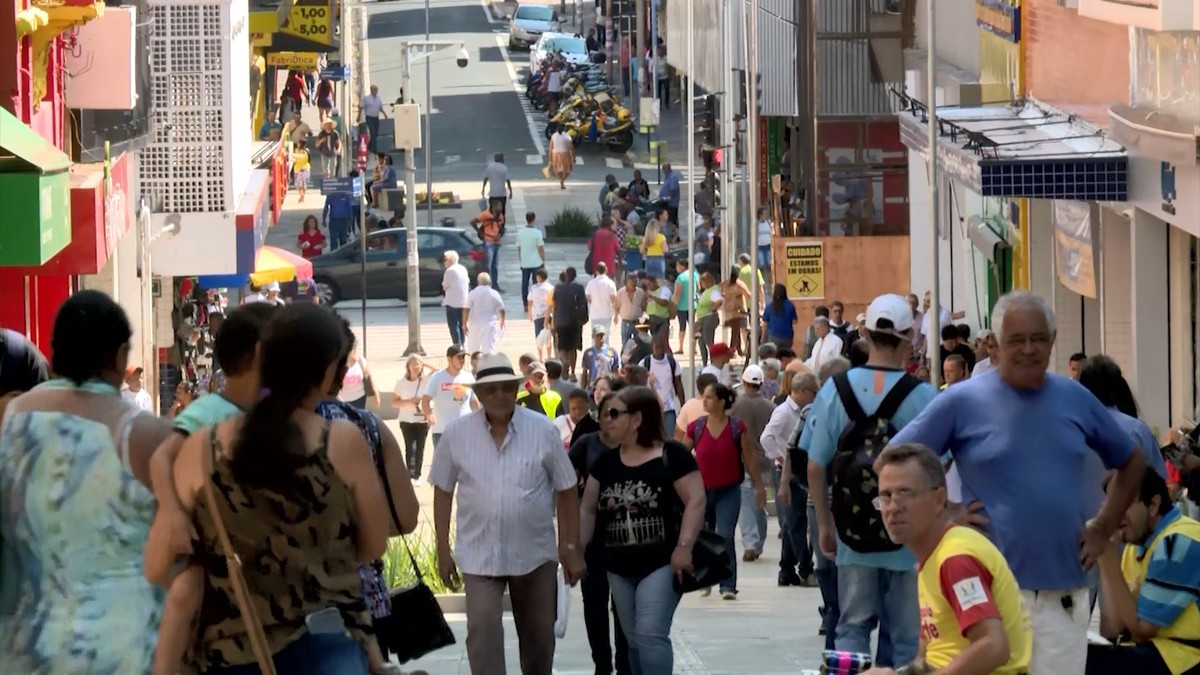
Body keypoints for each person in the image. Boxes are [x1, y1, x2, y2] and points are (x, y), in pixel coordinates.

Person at [890, 291, 1146, 675]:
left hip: (1063, 598)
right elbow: (893, 462)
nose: (1029, 349)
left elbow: (1132, 461)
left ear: (1053, 340)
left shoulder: (1075, 398)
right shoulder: (962, 400)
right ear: (993, 343)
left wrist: (1103, 526)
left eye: (1038, 339)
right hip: (985, 600)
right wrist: (943, 517)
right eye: (1017, 340)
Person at [157, 303, 391, 673]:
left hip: (230, 655)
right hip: (327, 652)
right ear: (326, 369)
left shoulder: (201, 449)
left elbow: (158, 565)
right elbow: (373, 544)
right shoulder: (340, 442)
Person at [0, 291, 172, 673]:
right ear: (118, 358)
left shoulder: (12, 419)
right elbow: (174, 552)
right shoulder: (147, 436)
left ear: (55, 352)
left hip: (28, 647)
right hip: (119, 649)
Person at [803, 294, 938, 668]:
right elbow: (939, 468)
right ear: (910, 336)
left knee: (853, 626)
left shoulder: (835, 389)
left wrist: (825, 526)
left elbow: (815, 465)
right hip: (907, 539)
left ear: (863, 332)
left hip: (852, 536)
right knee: (908, 636)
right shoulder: (923, 396)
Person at [430, 353, 585, 674]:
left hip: (534, 554)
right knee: (483, 634)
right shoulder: (457, 434)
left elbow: (567, 487)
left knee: (539, 640)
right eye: (491, 390)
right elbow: (443, 490)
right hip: (479, 554)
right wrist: (442, 550)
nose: (499, 396)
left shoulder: (542, 430)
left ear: (516, 389)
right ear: (478, 393)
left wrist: (570, 547)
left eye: (506, 388)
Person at [863, 443, 1032, 675]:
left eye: (905, 493)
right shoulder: (934, 556)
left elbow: (994, 647)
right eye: (885, 496)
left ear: (939, 499)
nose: (893, 507)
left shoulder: (956, 559)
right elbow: (929, 658)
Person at [580, 386, 706, 675]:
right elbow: (587, 508)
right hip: (618, 567)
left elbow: (696, 499)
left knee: (650, 634)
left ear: (637, 419)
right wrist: (577, 550)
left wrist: (684, 547)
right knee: (635, 640)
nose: (607, 419)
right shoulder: (606, 463)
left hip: (661, 563)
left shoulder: (672, 455)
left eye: (615, 413)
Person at [1087, 466, 1200, 675]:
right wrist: (1105, 555)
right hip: (1158, 650)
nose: (1114, 515)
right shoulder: (1137, 546)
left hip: (1186, 656)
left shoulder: (1176, 542)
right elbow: (1118, 626)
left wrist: (1108, 556)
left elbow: (1141, 631)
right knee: (1076, 655)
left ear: (1154, 505)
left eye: (1123, 504)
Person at [569, 389, 632, 675]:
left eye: (618, 413)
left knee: (623, 607)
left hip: (628, 538)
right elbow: (565, 484)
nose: (611, 419)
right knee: (594, 604)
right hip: (592, 536)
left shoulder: (636, 446)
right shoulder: (586, 444)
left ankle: (624, 665)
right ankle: (602, 665)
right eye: (607, 413)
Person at [683, 382, 765, 600]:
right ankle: (705, 578)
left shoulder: (737, 428)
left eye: (709, 397)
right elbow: (681, 457)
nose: (705, 400)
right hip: (701, 493)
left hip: (728, 490)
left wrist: (759, 486)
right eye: (705, 396)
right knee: (703, 536)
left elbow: (749, 458)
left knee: (725, 535)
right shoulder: (696, 427)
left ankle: (728, 585)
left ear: (721, 402)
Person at [421, 344, 480, 449]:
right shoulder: (437, 377)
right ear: (449, 359)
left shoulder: (468, 377)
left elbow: (474, 402)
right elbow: (425, 400)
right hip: (442, 431)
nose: (462, 360)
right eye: (459, 357)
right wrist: (429, 415)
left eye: (463, 357)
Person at [393, 355, 434, 480]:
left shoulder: (426, 380)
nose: (416, 367)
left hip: (422, 419)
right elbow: (394, 402)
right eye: (413, 364)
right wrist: (410, 401)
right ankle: (410, 474)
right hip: (406, 420)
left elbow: (439, 372)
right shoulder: (401, 382)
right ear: (408, 366)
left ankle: (417, 474)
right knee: (410, 446)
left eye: (418, 365)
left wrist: (425, 363)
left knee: (420, 447)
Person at [464, 272, 506, 355]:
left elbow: (466, 310)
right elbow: (502, 309)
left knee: (473, 347)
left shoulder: (473, 293)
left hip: (475, 324)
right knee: (488, 347)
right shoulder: (494, 293)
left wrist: (464, 324)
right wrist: (502, 321)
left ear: (478, 281)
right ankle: (489, 365)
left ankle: (475, 364)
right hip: (489, 323)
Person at [517, 212, 546, 306]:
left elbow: (519, 247)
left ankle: (525, 303)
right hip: (536, 262)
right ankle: (535, 302)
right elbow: (540, 248)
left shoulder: (521, 233)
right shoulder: (537, 233)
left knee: (524, 284)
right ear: (534, 219)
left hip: (525, 262)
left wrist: (521, 259)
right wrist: (543, 260)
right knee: (536, 284)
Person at [442, 250, 470, 345]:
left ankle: (457, 344)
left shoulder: (449, 271)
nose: (444, 262)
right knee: (462, 324)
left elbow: (445, 286)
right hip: (464, 301)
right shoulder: (463, 268)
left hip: (452, 302)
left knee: (453, 325)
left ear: (451, 260)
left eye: (445, 259)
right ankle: (462, 343)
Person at [761, 283, 798, 350]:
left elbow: (765, 324)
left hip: (774, 337)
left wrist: (762, 338)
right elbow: (795, 321)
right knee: (785, 356)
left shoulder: (770, 306)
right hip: (787, 337)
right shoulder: (790, 305)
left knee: (774, 355)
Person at [482, 153, 513, 219]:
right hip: (502, 194)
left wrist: (483, 189)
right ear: (502, 159)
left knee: (492, 211)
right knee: (502, 211)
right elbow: (508, 181)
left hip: (492, 194)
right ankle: (501, 225)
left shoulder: (490, 167)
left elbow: (485, 179)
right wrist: (511, 191)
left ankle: (492, 225)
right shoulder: (504, 168)